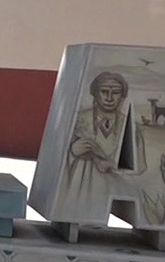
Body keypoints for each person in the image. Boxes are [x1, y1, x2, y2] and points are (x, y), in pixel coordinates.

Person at [59, 71, 144, 217]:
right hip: (80, 186)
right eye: (104, 91)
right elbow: (55, 158)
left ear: (123, 96)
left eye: (115, 93)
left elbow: (141, 166)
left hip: (112, 188)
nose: (109, 98)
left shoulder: (129, 125)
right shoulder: (79, 119)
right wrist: (73, 151)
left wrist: (114, 163)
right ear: (95, 93)